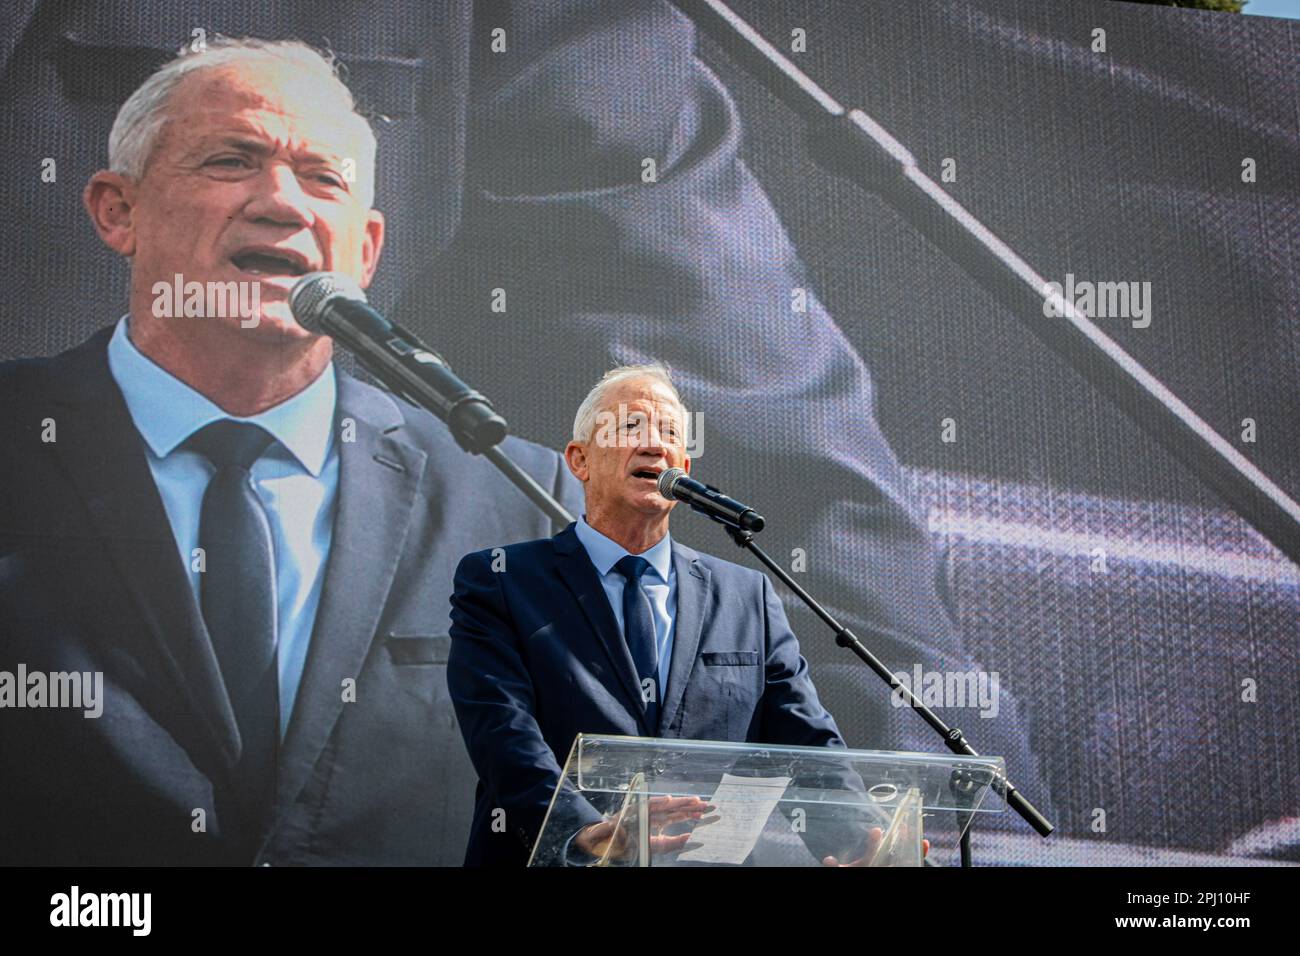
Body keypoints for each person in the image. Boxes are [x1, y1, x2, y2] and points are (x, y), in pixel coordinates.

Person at [0, 38, 582, 866]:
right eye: (233, 161)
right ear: (115, 210)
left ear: (367, 250)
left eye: (323, 179)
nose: (281, 203)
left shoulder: (515, 497)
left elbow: (586, 798)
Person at [449, 365, 904, 866]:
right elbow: (502, 730)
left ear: (682, 466)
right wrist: (587, 832)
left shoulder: (745, 594)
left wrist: (861, 841)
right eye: (629, 428)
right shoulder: (503, 579)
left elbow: (806, 737)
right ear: (579, 460)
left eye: (668, 434)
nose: (653, 446)